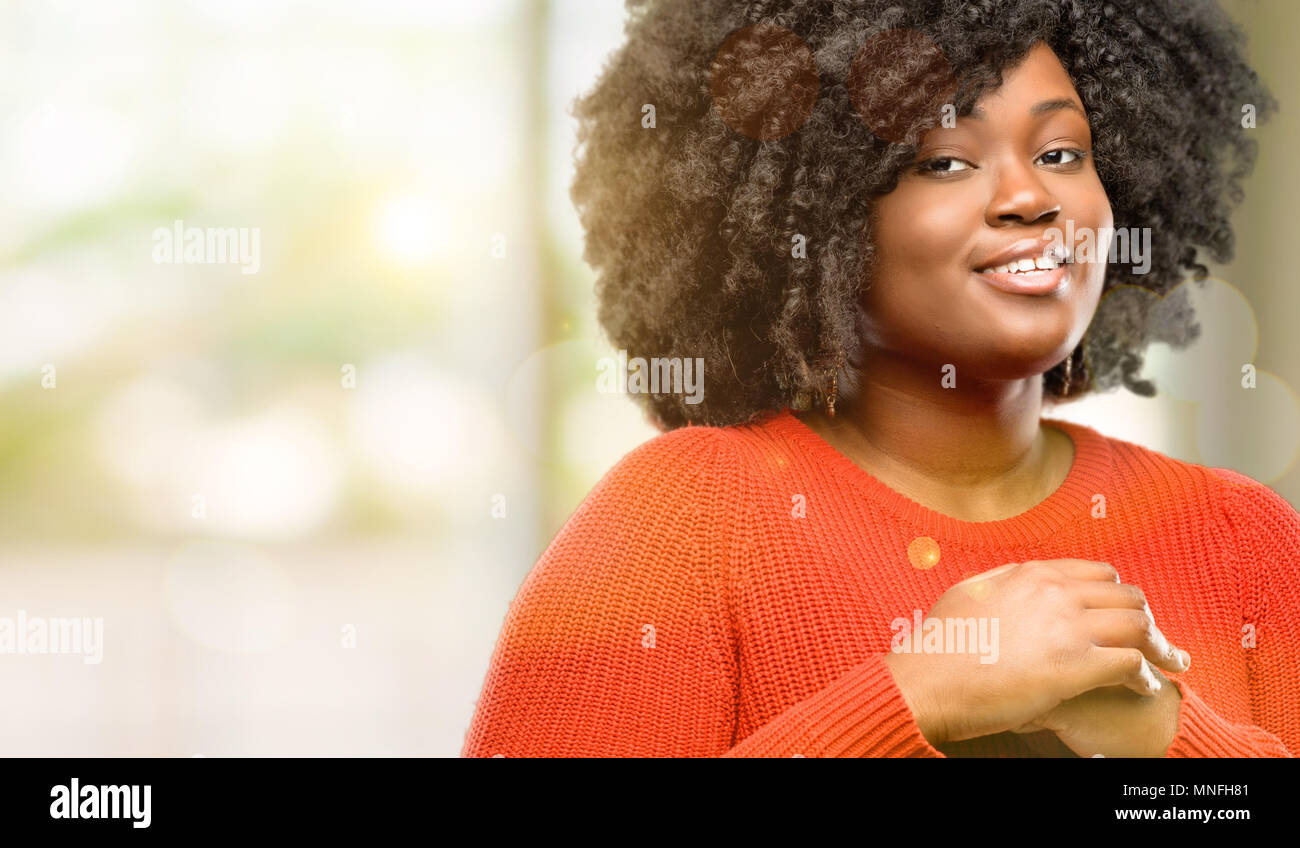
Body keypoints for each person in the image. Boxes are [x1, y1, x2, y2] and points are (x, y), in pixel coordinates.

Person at [463, 0, 1299, 757]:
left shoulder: (1242, 537)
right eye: (944, 162)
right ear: (813, 214)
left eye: (1060, 151)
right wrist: (916, 695)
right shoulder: (681, 522)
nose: (1029, 197)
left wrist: (1163, 734)